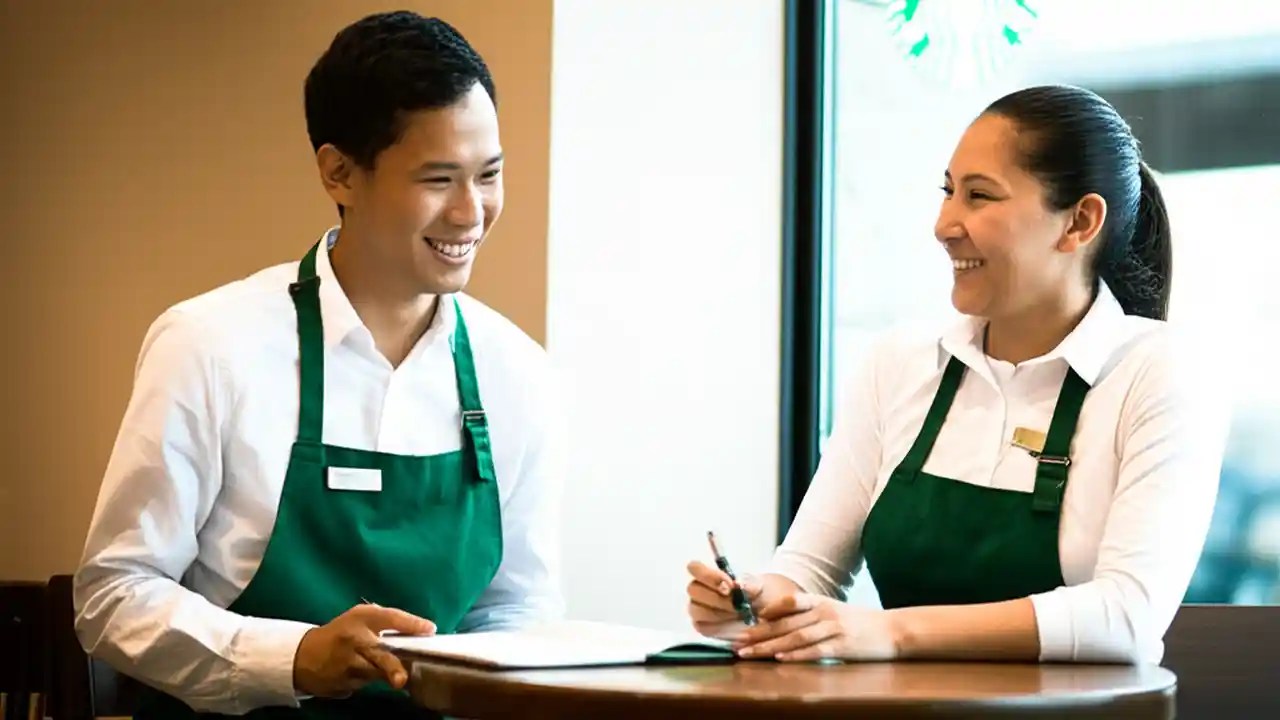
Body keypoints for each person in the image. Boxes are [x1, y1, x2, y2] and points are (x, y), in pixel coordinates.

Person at [74, 11, 564, 718]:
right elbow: (114, 595)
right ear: (339, 172)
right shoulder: (210, 345)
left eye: (488, 175)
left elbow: (518, 611)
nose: (471, 213)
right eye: (437, 179)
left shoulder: (517, 372)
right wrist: (294, 659)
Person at [686, 85, 1227, 665]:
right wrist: (760, 600)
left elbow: (1127, 617)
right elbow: (809, 572)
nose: (945, 224)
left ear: (1079, 222)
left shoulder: (1157, 371)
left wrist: (890, 633)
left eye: (979, 196)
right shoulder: (899, 363)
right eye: (948, 192)